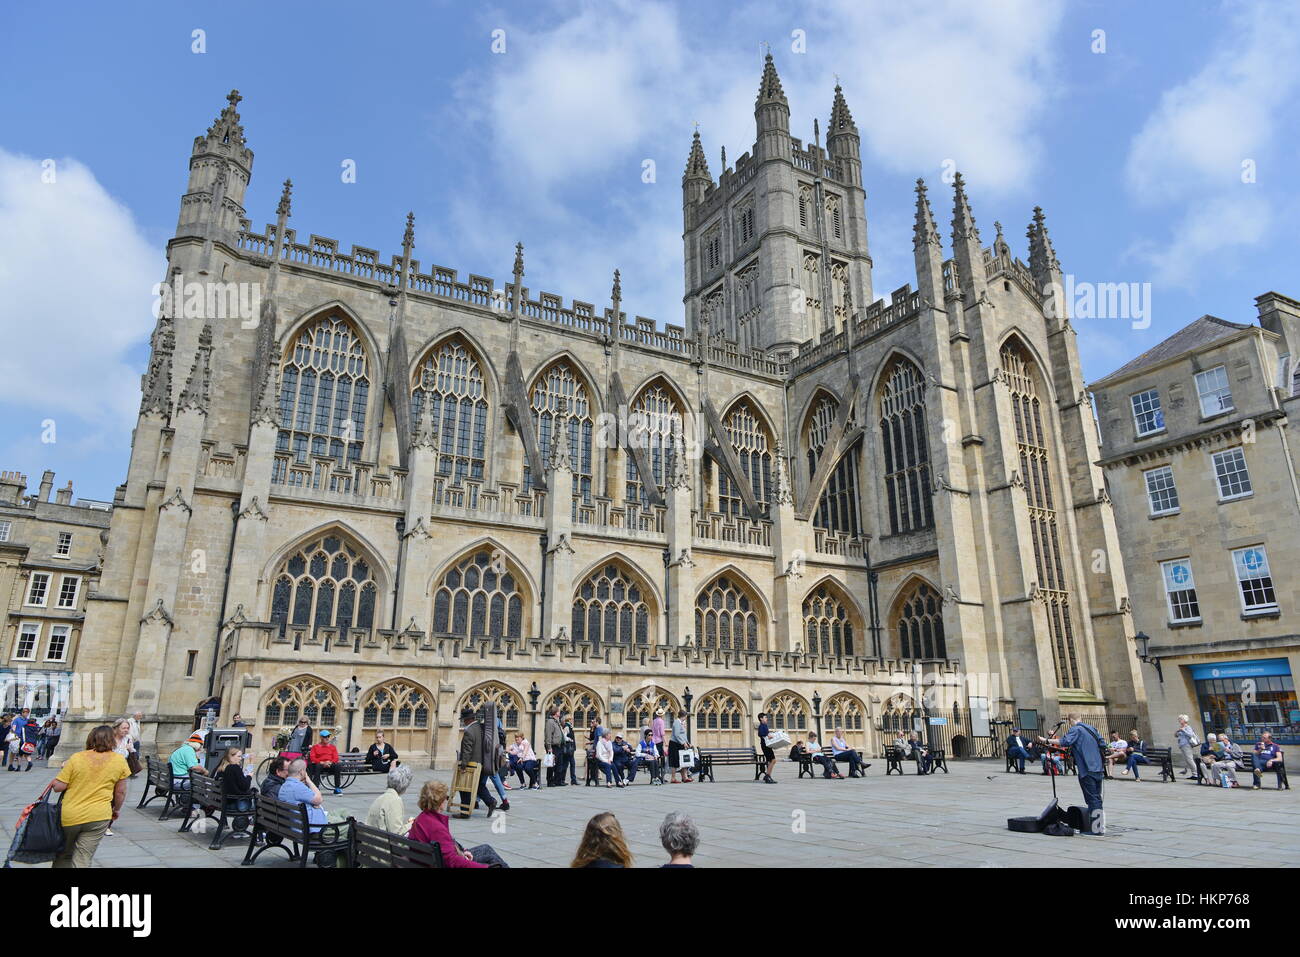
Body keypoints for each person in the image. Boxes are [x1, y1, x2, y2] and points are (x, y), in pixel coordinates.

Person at [50, 725, 129, 868]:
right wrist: (116, 810)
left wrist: (62, 774)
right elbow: (120, 792)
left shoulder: (76, 758)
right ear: (112, 740)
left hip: (70, 814)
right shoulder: (119, 760)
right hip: (99, 815)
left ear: (91, 739)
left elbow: (58, 787)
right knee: (83, 857)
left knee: (64, 853)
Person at [409, 779, 509, 867]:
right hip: (445, 863)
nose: (446, 800)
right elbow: (453, 861)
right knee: (493, 860)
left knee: (486, 848)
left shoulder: (421, 819)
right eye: (446, 797)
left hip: (433, 860)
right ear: (440, 801)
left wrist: (462, 851)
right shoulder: (436, 828)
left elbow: (447, 848)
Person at [1039, 714, 1106, 834]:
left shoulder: (1076, 729)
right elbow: (1103, 744)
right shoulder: (1092, 728)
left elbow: (1065, 741)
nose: (1070, 724)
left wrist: (1046, 740)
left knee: (1092, 799)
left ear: (1071, 720)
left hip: (1087, 768)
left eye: (1070, 722)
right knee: (1097, 798)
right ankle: (1099, 826)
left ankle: (1096, 829)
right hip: (1098, 768)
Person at [455, 707, 499, 817]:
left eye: (464, 720)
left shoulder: (469, 731)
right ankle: (490, 801)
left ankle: (464, 812)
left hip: (472, 764)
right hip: (483, 763)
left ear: (467, 719)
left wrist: (463, 765)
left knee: (463, 787)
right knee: (479, 786)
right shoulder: (481, 727)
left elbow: (467, 751)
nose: (463, 722)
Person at [278, 758, 328, 834]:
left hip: (296, 826)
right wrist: (309, 781)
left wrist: (314, 805)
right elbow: (319, 799)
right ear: (302, 772)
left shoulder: (284, 786)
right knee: (348, 822)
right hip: (310, 829)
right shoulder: (298, 787)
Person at [214, 746, 254, 833]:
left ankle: (244, 825)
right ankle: (250, 831)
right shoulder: (234, 768)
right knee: (260, 805)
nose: (240, 759)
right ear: (231, 756)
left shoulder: (222, 767)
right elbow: (245, 786)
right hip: (234, 804)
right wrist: (249, 777)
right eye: (239, 756)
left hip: (222, 802)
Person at [366, 763, 414, 833]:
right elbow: (397, 833)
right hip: (382, 842)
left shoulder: (382, 797)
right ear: (405, 785)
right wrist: (412, 824)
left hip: (372, 839)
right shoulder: (394, 800)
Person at [308, 729, 342, 794]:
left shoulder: (332, 747)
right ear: (321, 737)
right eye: (325, 737)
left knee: (337, 765)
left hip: (330, 765)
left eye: (328, 736)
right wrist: (322, 762)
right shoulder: (315, 747)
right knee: (317, 766)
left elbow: (336, 758)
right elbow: (312, 758)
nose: (327, 738)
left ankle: (337, 788)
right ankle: (316, 788)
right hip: (320, 765)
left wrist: (329, 762)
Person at [670, 709, 694, 784]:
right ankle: (673, 778)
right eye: (686, 716)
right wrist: (683, 743)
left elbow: (683, 734)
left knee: (684, 760)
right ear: (683, 716)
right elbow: (677, 735)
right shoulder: (677, 722)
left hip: (680, 744)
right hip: (674, 744)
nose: (686, 718)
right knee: (674, 761)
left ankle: (685, 777)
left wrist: (687, 742)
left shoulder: (682, 723)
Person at [1174, 715, 1200, 779]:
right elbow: (1177, 735)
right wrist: (1177, 732)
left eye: (1181, 719)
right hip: (1182, 745)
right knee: (1187, 760)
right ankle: (1194, 774)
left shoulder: (1188, 727)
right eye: (1179, 719)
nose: (1179, 720)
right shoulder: (1181, 727)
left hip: (1187, 745)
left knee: (1189, 759)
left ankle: (1196, 774)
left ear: (1185, 720)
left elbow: (1190, 735)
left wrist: (1183, 730)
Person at [543, 707, 564, 786]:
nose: (560, 713)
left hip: (559, 746)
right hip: (553, 746)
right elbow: (548, 735)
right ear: (556, 712)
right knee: (551, 764)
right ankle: (550, 781)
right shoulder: (550, 722)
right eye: (559, 711)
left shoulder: (556, 721)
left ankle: (557, 780)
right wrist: (549, 747)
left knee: (559, 764)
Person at [756, 711, 776, 784]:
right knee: (773, 760)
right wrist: (768, 735)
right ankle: (767, 776)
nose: (766, 718)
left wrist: (769, 734)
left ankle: (768, 776)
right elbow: (760, 734)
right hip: (765, 746)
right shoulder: (761, 726)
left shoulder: (765, 725)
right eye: (765, 717)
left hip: (767, 745)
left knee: (771, 761)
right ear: (761, 719)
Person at [561, 710, 578, 785]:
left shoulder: (569, 726)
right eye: (572, 719)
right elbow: (563, 737)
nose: (573, 720)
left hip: (570, 749)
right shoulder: (567, 727)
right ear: (569, 720)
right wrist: (570, 739)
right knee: (568, 764)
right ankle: (565, 779)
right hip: (568, 749)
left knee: (569, 764)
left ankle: (570, 780)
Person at [652, 708, 667, 772]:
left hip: (653, 741)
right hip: (659, 741)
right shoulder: (661, 721)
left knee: (656, 756)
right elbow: (662, 733)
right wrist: (666, 742)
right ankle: (662, 772)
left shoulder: (654, 721)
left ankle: (656, 771)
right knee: (662, 757)